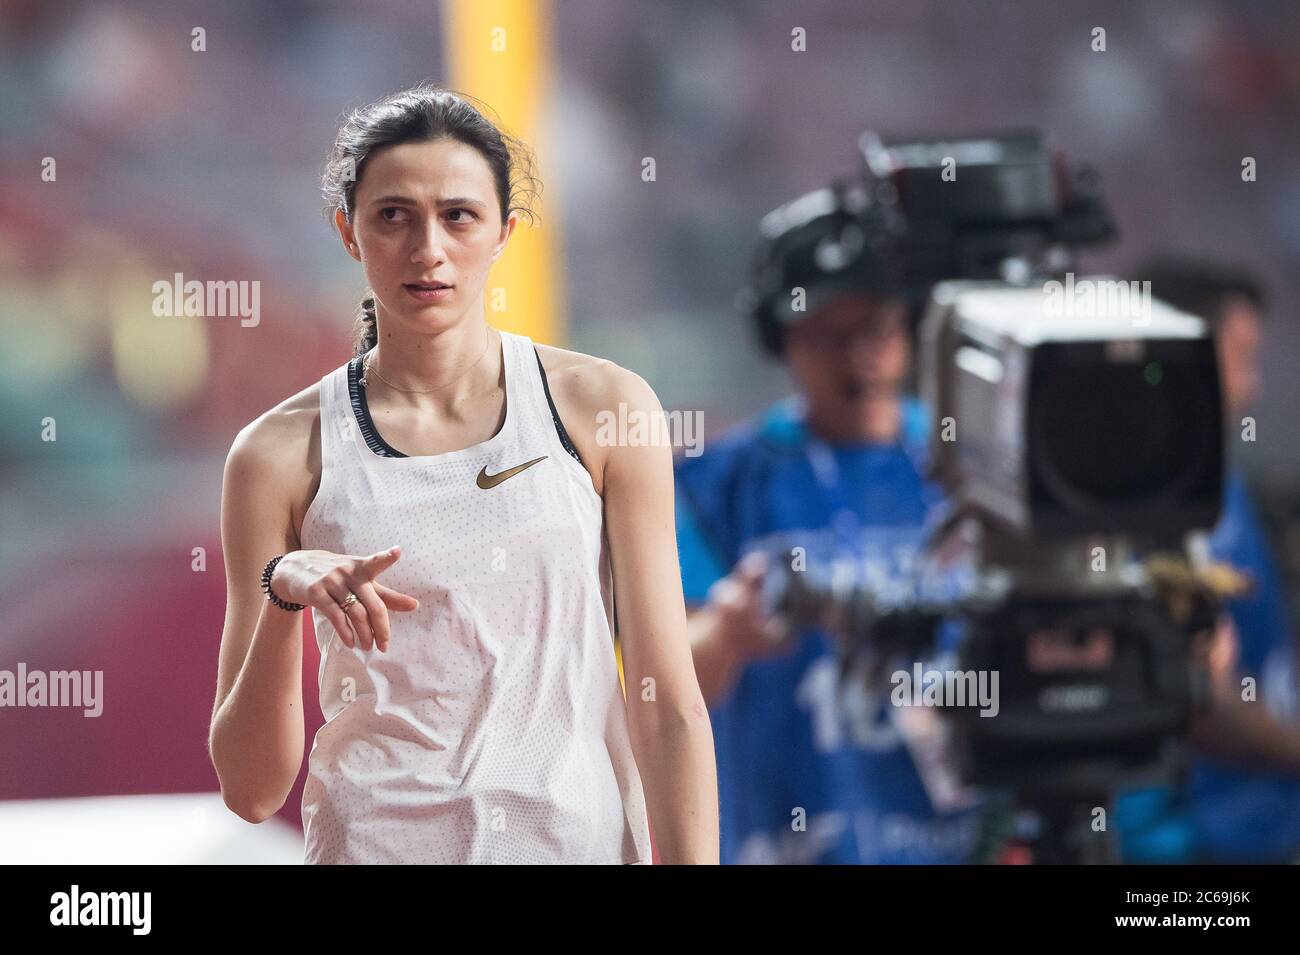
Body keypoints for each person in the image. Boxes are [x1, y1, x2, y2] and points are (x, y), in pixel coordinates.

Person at [207, 84, 717, 864]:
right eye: (393, 216)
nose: (427, 249)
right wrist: (285, 586)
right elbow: (250, 789)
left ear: (505, 232)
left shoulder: (604, 407)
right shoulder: (277, 453)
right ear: (349, 231)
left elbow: (668, 704)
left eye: (458, 215)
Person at [675, 184, 982, 864]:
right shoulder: (717, 482)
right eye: (825, 332)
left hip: (966, 840)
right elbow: (666, 678)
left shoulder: (977, 467)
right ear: (780, 339)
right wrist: (726, 632)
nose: (856, 355)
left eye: (874, 326)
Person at [1115, 254, 1300, 863]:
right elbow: (1200, 705)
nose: (1251, 388)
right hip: (1184, 849)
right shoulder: (1137, 501)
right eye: (1239, 360)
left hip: (1263, 830)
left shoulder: (1222, 479)